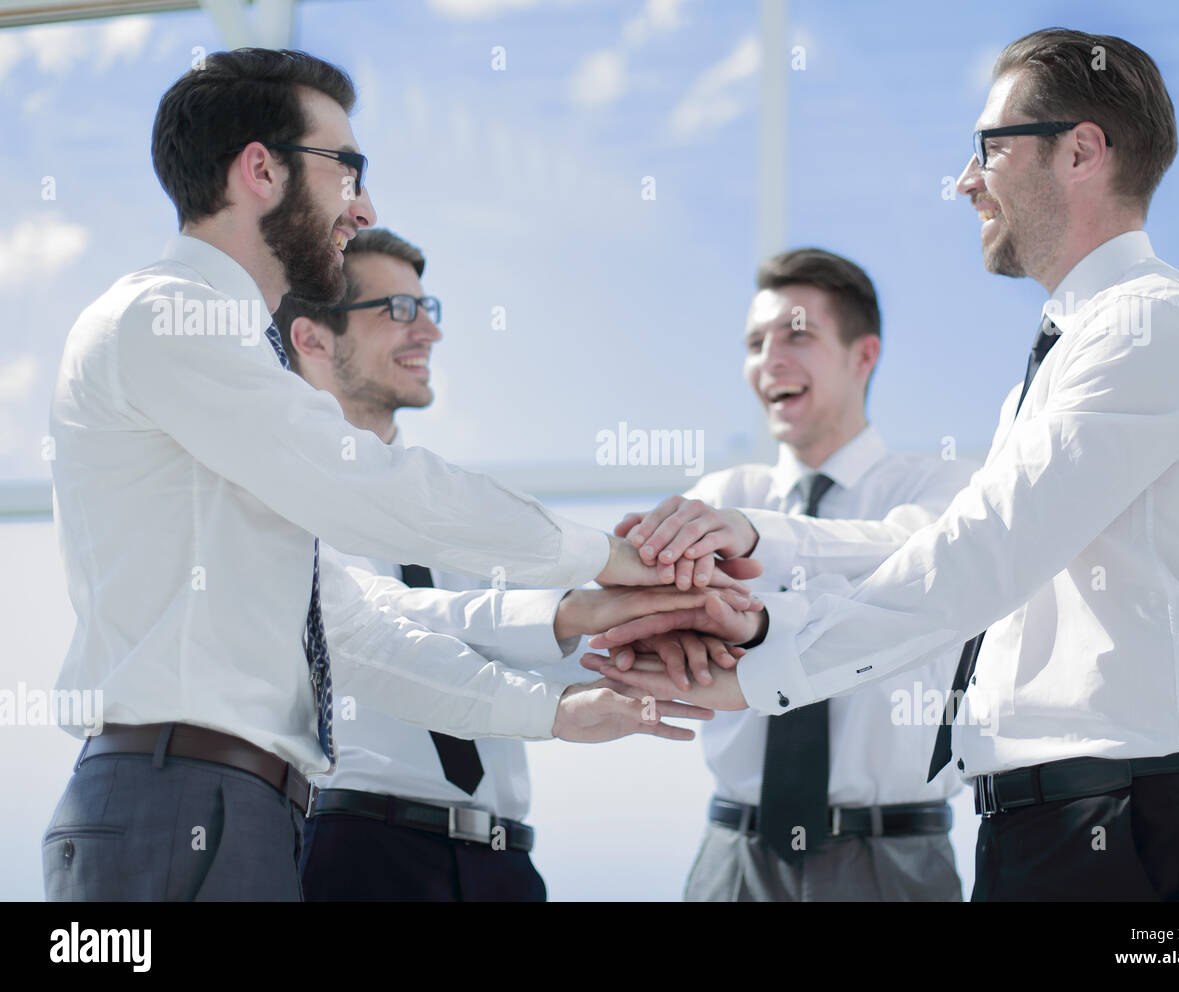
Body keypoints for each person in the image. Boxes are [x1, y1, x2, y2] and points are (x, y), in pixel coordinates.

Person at [588, 28, 1179, 902]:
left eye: (990, 147)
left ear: (1081, 150)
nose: (965, 180)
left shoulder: (1150, 330)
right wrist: (759, 541)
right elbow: (946, 540)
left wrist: (760, 661)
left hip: (1126, 826)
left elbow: (977, 556)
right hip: (1059, 824)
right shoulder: (1077, 347)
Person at [42, 49, 740, 902]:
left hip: (232, 805)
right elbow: (364, 487)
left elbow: (351, 629)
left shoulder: (227, 373)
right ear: (260, 169)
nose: (362, 206)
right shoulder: (164, 319)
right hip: (180, 801)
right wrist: (604, 555)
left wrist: (552, 712)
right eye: (347, 169)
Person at [275, 228, 700, 900]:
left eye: (428, 309)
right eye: (399, 311)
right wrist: (567, 616)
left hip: (501, 860)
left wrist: (657, 626)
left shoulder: (457, 511)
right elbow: (383, 630)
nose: (429, 334)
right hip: (356, 852)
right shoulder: (280, 504)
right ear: (314, 338)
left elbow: (533, 646)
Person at [615, 249, 974, 901]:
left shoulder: (938, 488)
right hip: (734, 861)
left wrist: (761, 538)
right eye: (755, 342)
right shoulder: (723, 494)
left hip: (892, 864)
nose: (770, 360)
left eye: (797, 335)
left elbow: (906, 554)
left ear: (863, 356)